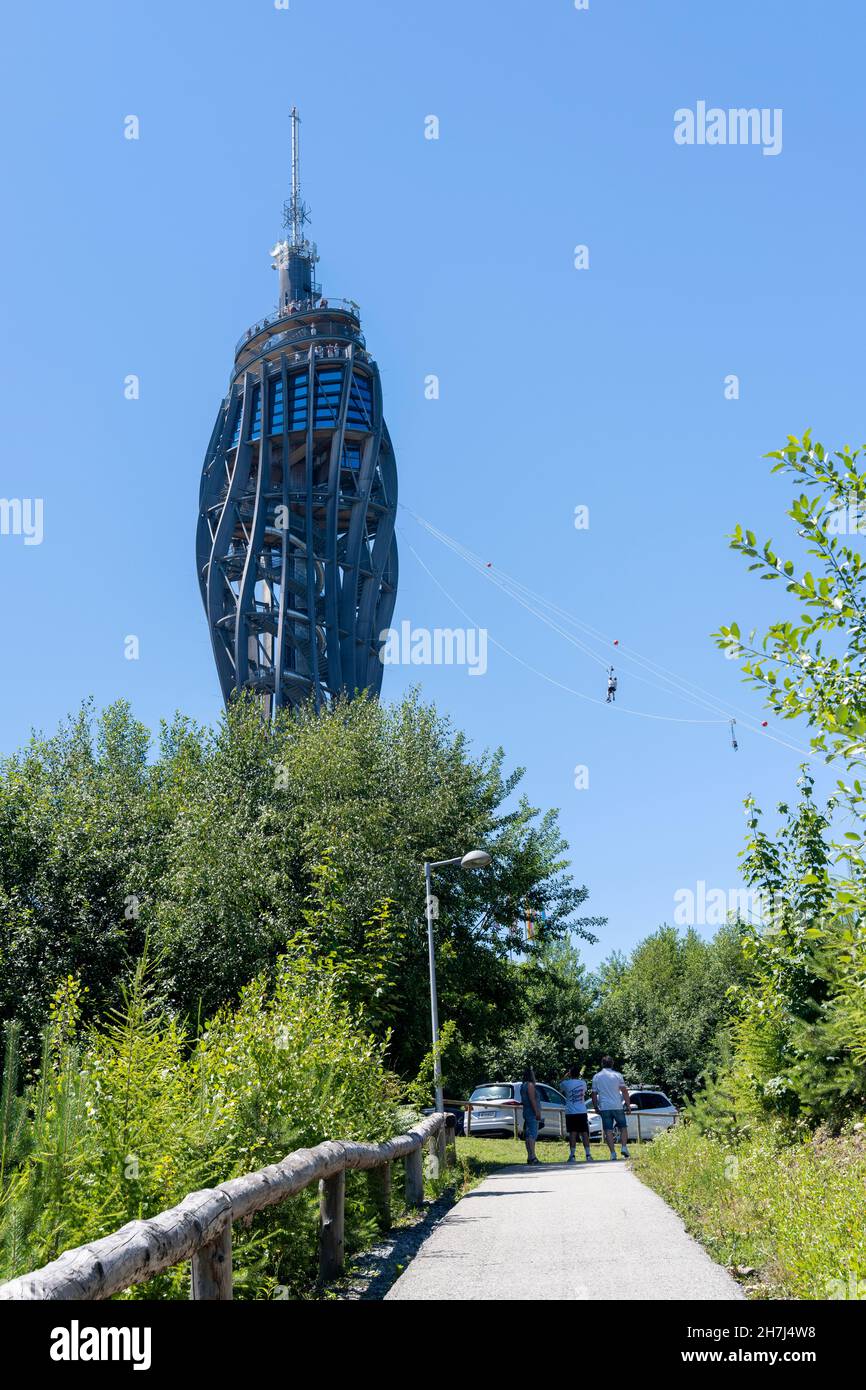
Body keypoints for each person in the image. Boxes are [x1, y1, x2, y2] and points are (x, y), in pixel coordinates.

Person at [591, 1055, 631, 1160]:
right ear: (612, 1064)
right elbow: (624, 1091)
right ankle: (624, 1147)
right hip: (617, 1106)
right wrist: (628, 1104)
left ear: (602, 1064)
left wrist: (595, 1107)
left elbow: (594, 1094)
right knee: (623, 1127)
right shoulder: (617, 1075)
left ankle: (613, 1153)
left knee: (608, 1130)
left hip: (604, 1107)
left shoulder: (597, 1077)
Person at [560, 1063, 593, 1164]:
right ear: (578, 1074)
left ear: (570, 1073)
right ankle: (588, 1155)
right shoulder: (583, 1083)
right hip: (582, 1111)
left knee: (573, 1133)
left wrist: (565, 1076)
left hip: (571, 1112)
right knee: (584, 1133)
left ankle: (572, 1155)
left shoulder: (566, 1083)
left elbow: (560, 1086)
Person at [520, 1065, 543, 1165]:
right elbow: (532, 1099)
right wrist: (537, 1112)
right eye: (533, 1074)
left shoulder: (523, 1085)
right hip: (531, 1112)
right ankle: (533, 1156)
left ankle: (530, 1157)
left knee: (529, 1134)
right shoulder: (530, 1085)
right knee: (532, 1134)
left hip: (526, 1111)